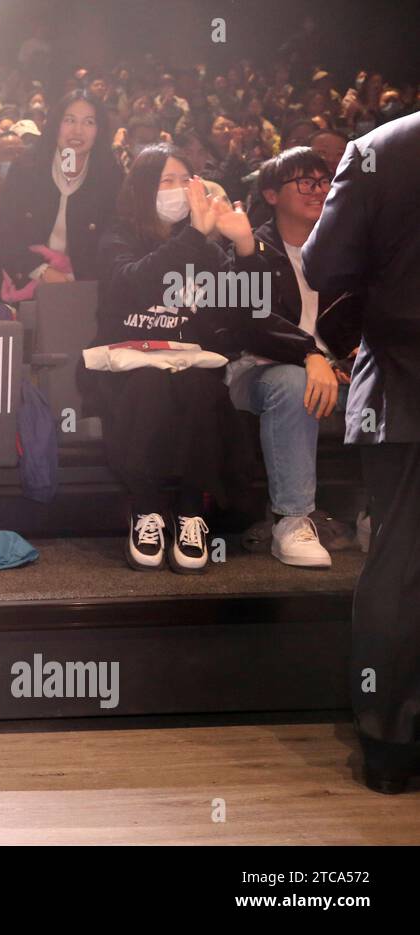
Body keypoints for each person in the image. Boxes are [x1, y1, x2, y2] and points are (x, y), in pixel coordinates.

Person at [303, 112, 420, 795]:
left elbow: (323, 263)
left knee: (400, 559)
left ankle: (388, 740)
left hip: (401, 383)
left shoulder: (380, 148)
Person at [89, 144, 261, 574]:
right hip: (127, 366)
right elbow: (132, 285)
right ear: (144, 188)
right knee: (150, 383)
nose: (177, 190)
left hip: (189, 366)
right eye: (165, 180)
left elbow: (247, 309)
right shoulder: (118, 234)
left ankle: (191, 513)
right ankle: (146, 508)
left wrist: (244, 245)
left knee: (202, 387)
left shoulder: (204, 242)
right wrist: (193, 238)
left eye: (185, 180)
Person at [229, 148, 362, 568]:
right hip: (258, 371)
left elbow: (359, 318)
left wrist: (354, 355)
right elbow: (251, 321)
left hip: (329, 372)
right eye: (305, 182)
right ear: (271, 194)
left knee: (389, 378)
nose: (318, 191)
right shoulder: (247, 245)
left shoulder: (343, 249)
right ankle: (293, 519)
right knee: (293, 382)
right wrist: (308, 354)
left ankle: (377, 514)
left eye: (324, 182)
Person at [0, 89, 123, 302]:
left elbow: (115, 238)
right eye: (69, 120)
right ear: (55, 124)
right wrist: (41, 270)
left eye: (89, 122)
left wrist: (74, 277)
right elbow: (1, 231)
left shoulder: (110, 174)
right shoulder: (27, 167)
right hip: (25, 279)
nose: (77, 131)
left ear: (99, 130)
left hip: (85, 288)